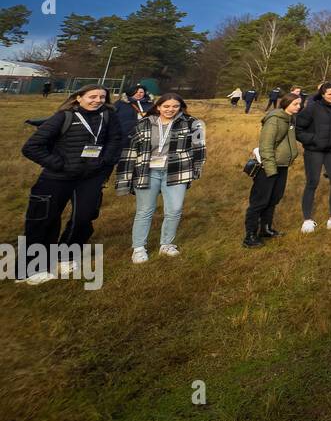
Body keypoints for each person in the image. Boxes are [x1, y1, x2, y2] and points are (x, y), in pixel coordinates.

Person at [20, 85, 126, 285]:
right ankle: (31, 267)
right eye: (92, 96)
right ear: (79, 97)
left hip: (90, 177)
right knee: (45, 220)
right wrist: (59, 164)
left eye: (102, 97)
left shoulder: (109, 116)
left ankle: (66, 255)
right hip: (57, 177)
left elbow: (115, 141)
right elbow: (31, 147)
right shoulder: (63, 116)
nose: (97, 100)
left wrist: (104, 163)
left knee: (84, 218)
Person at [115, 93, 206, 262]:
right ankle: (139, 248)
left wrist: (195, 171)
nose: (170, 110)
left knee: (175, 209)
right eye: (166, 106)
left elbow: (199, 149)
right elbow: (130, 151)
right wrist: (125, 178)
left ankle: (166, 244)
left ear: (181, 107)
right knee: (144, 211)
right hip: (147, 172)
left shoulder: (193, 124)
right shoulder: (143, 124)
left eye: (175, 106)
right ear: (158, 107)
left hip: (177, 171)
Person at [294, 81, 331, 232]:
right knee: (312, 183)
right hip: (314, 150)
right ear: (322, 94)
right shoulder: (312, 107)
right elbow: (299, 129)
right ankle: (307, 220)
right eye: (330, 94)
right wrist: (312, 140)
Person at [244, 94, 301, 247]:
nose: (298, 107)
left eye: (299, 103)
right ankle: (250, 236)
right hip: (268, 167)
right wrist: (270, 169)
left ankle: (266, 229)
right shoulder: (274, 120)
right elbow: (266, 146)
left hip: (282, 166)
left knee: (274, 198)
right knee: (259, 201)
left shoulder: (289, 119)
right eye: (295, 104)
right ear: (286, 104)